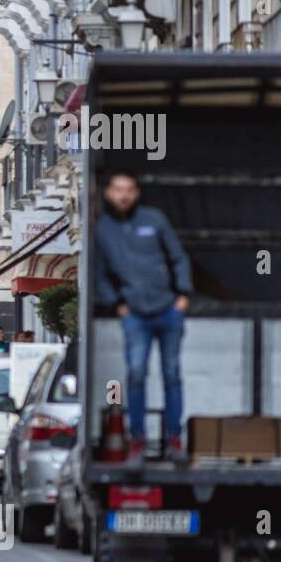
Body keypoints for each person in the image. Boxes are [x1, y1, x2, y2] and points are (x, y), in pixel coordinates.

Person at [94, 170, 193, 458]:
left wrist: (184, 294)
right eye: (117, 189)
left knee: (172, 374)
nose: (123, 195)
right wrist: (117, 305)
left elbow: (178, 257)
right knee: (136, 374)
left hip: (168, 311)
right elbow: (99, 276)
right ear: (108, 193)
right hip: (135, 315)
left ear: (136, 193)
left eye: (128, 189)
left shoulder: (155, 219)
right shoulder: (103, 230)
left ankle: (174, 439)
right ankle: (137, 438)